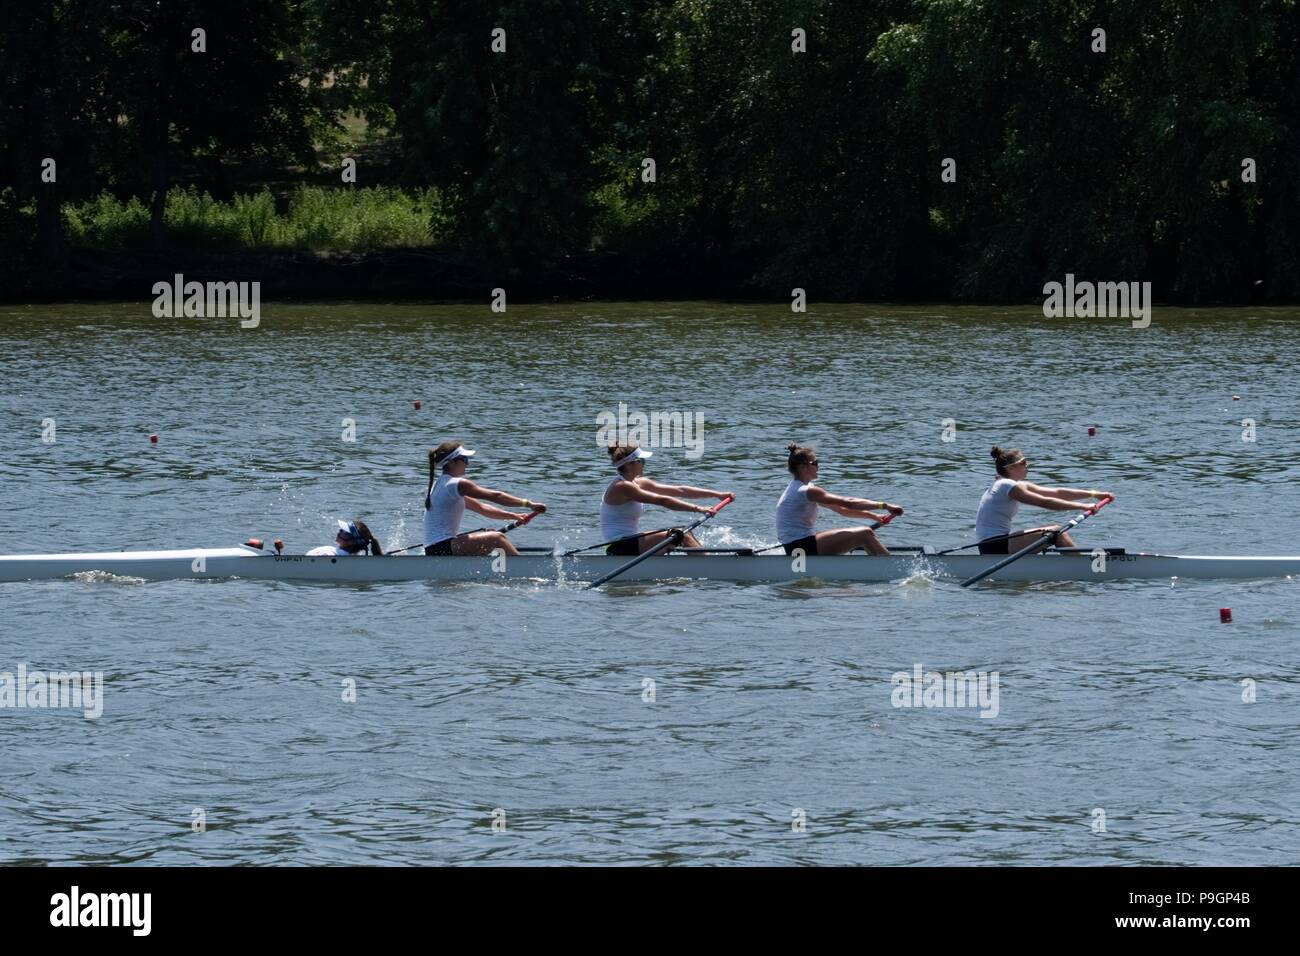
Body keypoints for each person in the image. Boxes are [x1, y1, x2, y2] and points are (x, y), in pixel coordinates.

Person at [975, 445, 1114, 554]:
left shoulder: (1012, 484)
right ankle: (1082, 567)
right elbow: (1044, 502)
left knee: (1053, 532)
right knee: (1056, 533)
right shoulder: (1006, 485)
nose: (1027, 465)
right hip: (993, 545)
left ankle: (1070, 564)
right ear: (1011, 468)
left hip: (997, 542)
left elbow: (1056, 493)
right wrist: (1083, 507)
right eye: (1023, 462)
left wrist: (1094, 494)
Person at [599, 444, 732, 555]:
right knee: (681, 534)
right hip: (618, 547)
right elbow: (662, 500)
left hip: (629, 542)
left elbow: (679, 490)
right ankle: (710, 566)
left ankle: (704, 562)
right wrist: (698, 508)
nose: (644, 464)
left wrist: (717, 494)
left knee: (684, 531)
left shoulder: (638, 483)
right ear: (629, 465)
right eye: (642, 461)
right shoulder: (622, 486)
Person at [776, 443, 903, 556]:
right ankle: (891, 569)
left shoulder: (800, 489)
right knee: (865, 533)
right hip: (801, 548)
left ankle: (879, 564)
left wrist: (874, 516)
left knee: (863, 534)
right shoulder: (806, 491)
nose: (818, 466)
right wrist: (885, 506)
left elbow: (842, 509)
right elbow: (849, 502)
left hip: (797, 546)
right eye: (815, 463)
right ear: (803, 467)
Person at [423, 442, 546, 556]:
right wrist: (528, 504)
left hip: (436, 548)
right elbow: (495, 496)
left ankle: (509, 566)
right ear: (451, 463)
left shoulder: (441, 485)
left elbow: (482, 508)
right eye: (464, 459)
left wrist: (515, 516)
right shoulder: (456, 484)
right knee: (496, 538)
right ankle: (524, 568)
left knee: (488, 535)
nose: (467, 464)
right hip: (441, 547)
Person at [307, 519, 383, 556]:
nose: (339, 532)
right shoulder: (335, 551)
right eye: (341, 530)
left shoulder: (332, 554)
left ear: (352, 541)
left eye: (344, 532)